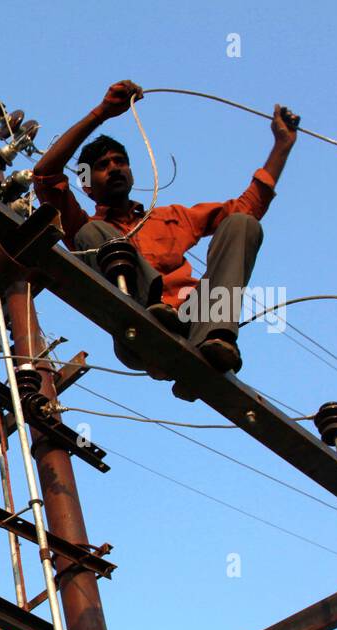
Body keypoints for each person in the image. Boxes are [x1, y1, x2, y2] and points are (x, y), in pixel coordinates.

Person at [32, 79, 298, 397]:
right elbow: (46, 176)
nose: (114, 168)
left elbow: (247, 209)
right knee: (92, 235)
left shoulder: (170, 217)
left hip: (195, 319)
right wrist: (102, 112)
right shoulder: (85, 226)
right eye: (102, 166)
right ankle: (153, 324)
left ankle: (214, 341)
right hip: (137, 328)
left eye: (120, 162)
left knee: (241, 223)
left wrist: (281, 146)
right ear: (87, 186)